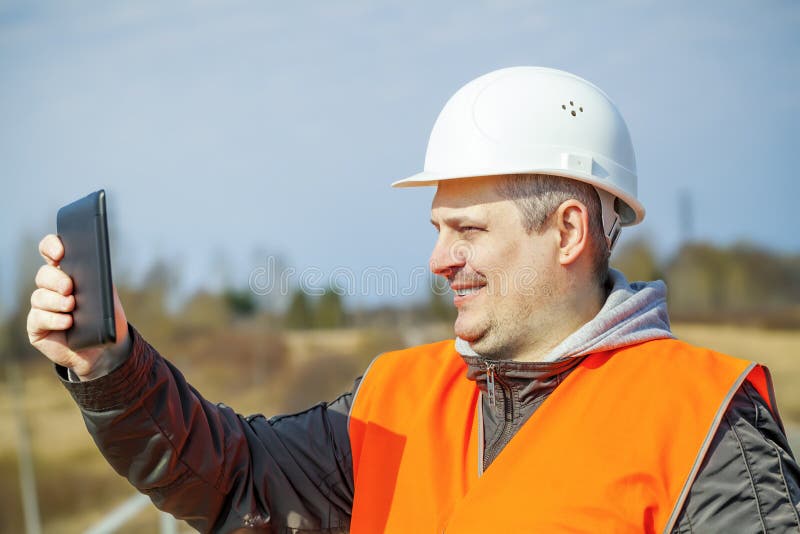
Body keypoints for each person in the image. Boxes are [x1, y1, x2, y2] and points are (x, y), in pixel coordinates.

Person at [28, 67, 799, 533]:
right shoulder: (395, 398)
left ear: (568, 231)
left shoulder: (707, 424)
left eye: (467, 228)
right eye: (436, 228)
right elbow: (230, 478)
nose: (438, 259)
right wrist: (110, 367)